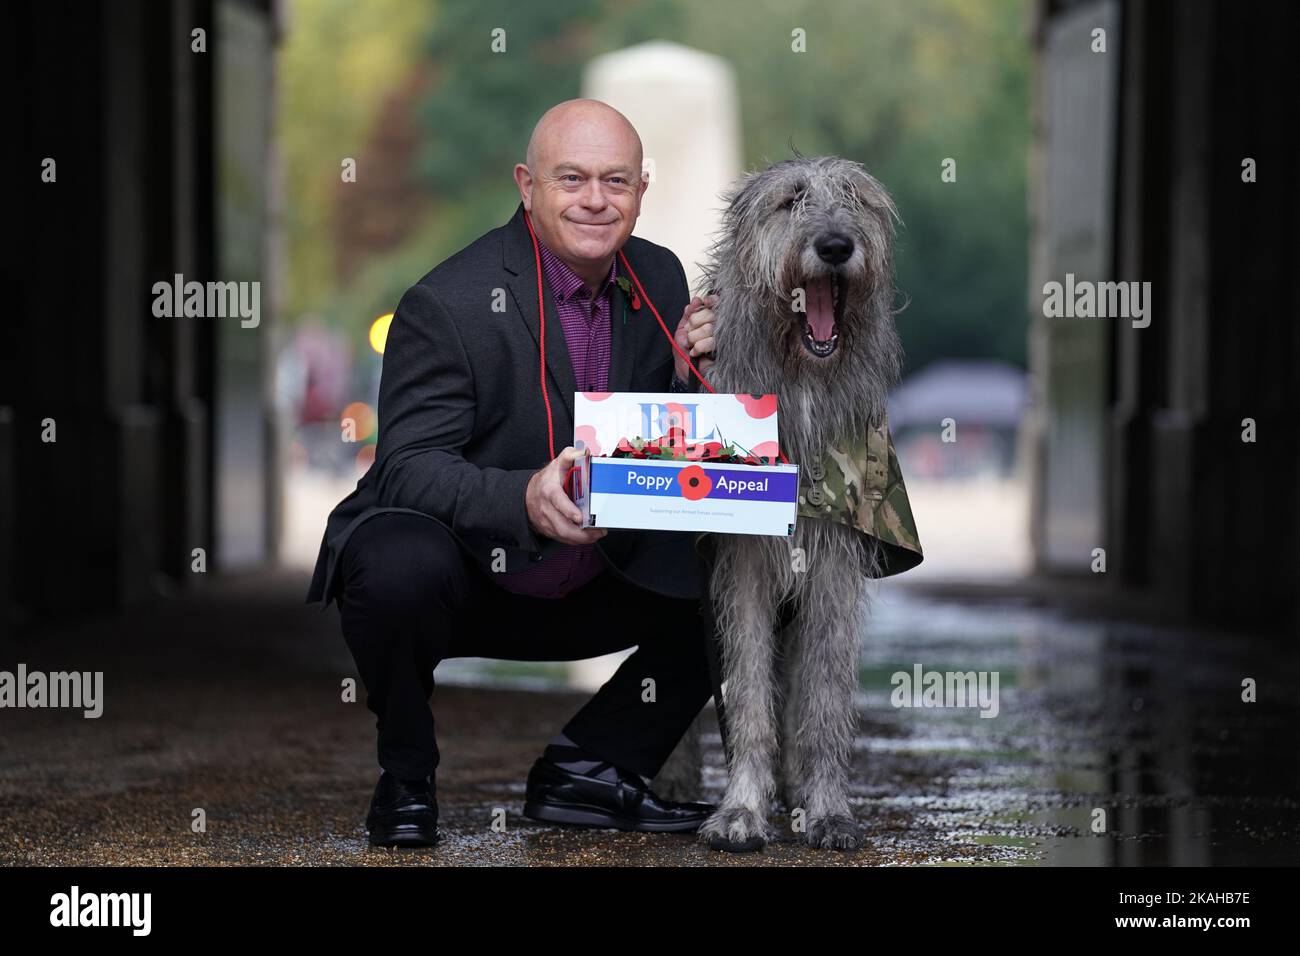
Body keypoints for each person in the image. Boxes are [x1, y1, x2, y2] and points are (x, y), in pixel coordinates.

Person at [305, 98, 721, 847]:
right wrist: (523, 498)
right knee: (391, 557)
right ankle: (406, 778)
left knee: (765, 562)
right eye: (572, 178)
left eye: (616, 181)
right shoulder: (446, 301)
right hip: (472, 580)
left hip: (604, 574)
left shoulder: (659, 276)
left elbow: (662, 450)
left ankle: (592, 770)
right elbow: (406, 469)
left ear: (641, 191)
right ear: (527, 185)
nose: (596, 199)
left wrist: (703, 376)